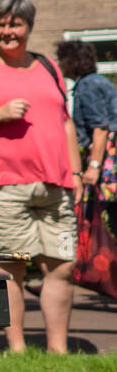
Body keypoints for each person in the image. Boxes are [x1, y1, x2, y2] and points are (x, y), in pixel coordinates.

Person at [0, 0, 80, 354]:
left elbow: (65, 123)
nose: (7, 31)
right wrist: (0, 113)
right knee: (13, 267)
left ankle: (58, 352)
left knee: (62, 265)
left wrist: (78, 173)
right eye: (1, 23)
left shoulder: (48, 67)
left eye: (15, 24)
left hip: (55, 184)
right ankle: (18, 351)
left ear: (29, 27)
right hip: (0, 185)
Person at [57, 39, 117, 234]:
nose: (59, 65)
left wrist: (93, 167)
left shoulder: (88, 84)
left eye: (62, 60)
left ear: (71, 61)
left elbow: (99, 127)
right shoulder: (97, 81)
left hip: (107, 160)